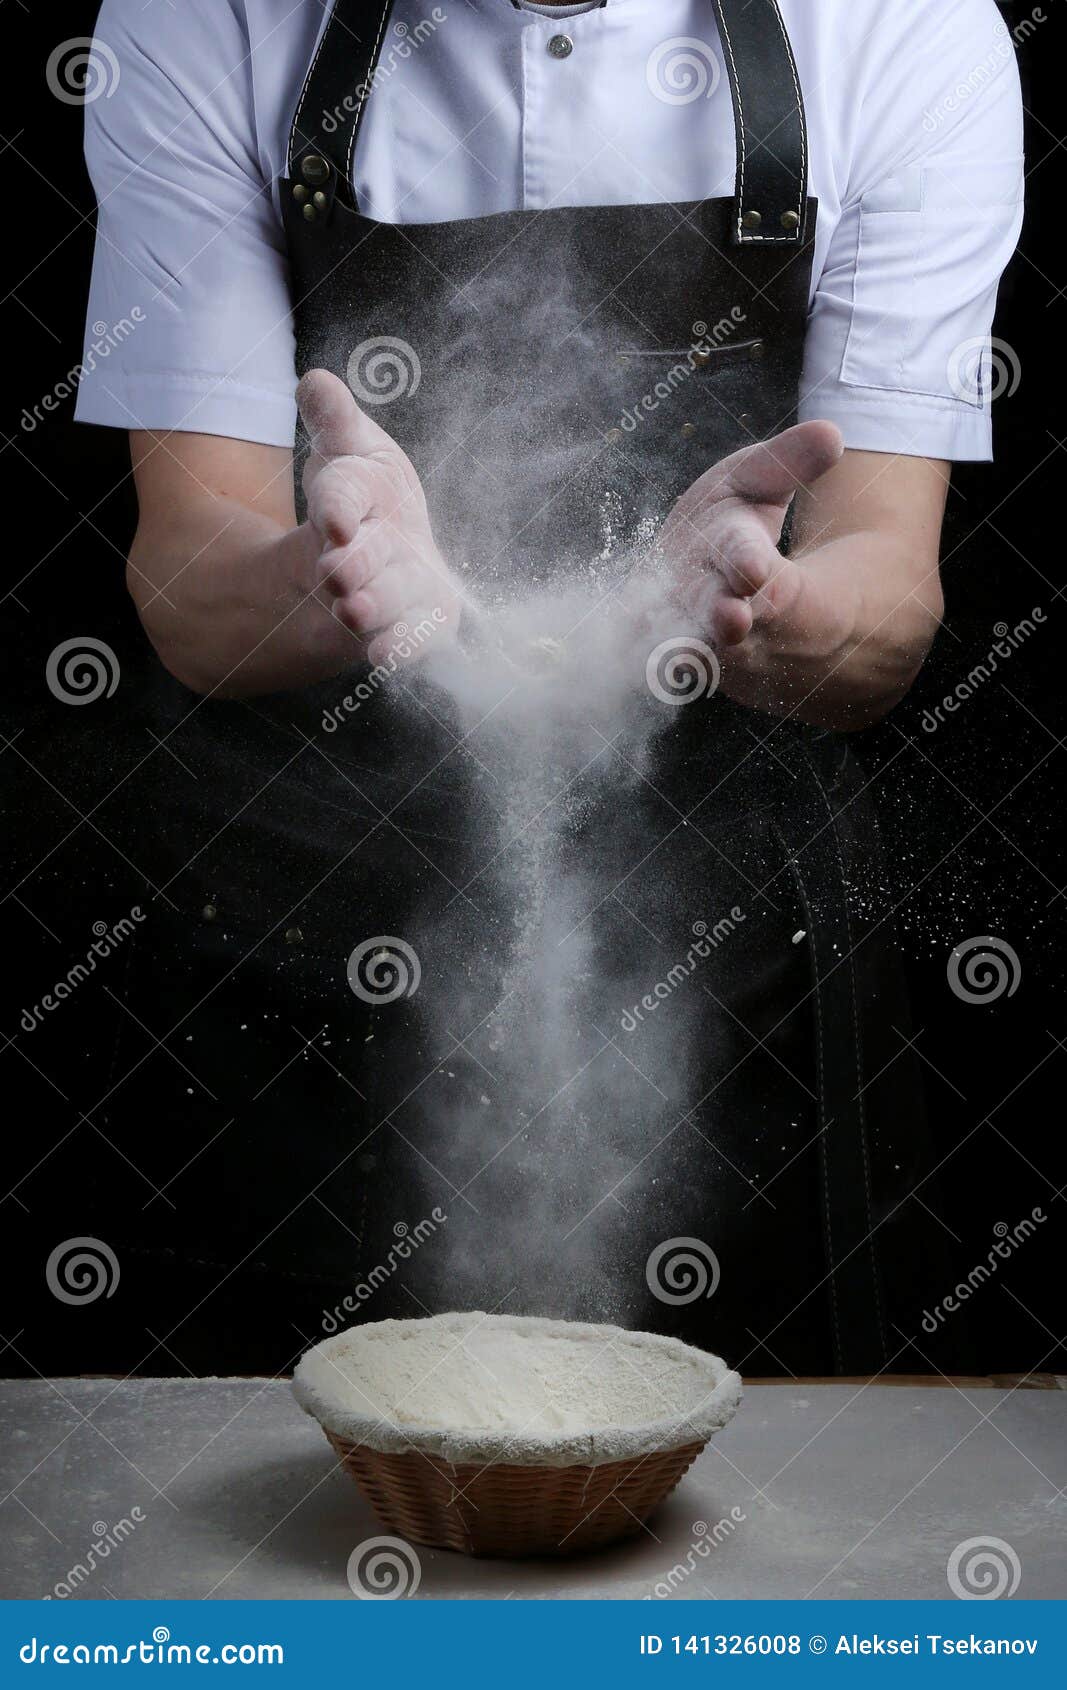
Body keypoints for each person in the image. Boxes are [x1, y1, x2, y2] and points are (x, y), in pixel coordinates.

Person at [66, 0, 1023, 1377]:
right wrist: (332, 569)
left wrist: (758, 605)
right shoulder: (201, 15)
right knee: (255, 1550)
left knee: (785, 1545)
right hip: (284, 972)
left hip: (741, 979)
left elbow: (887, 591)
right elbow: (189, 584)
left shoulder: (903, 25)